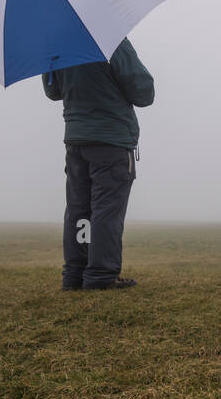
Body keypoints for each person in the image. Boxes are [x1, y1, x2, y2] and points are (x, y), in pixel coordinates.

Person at [41, 37, 154, 290]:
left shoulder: (56, 43)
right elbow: (144, 92)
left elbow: (53, 91)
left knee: (79, 210)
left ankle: (75, 275)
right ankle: (100, 276)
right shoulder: (111, 38)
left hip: (76, 140)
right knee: (106, 211)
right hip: (111, 140)